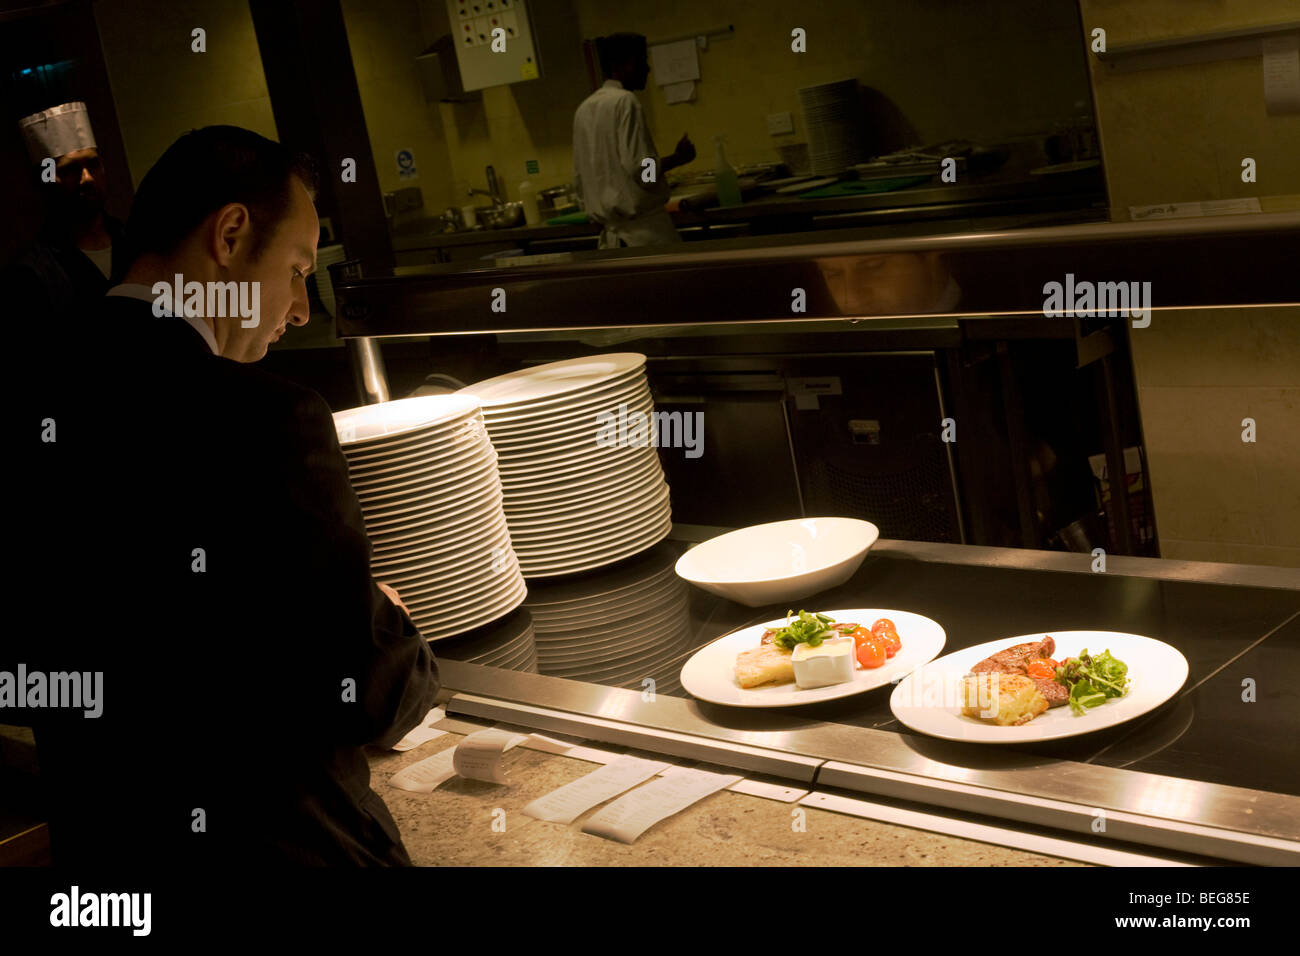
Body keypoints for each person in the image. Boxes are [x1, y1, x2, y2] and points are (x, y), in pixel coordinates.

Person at [28, 126, 439, 868]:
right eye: (296, 269)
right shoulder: (270, 419)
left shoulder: (34, 389)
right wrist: (394, 626)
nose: (302, 307)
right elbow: (369, 697)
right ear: (231, 233)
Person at [572, 32, 695, 248]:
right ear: (622, 65)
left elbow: (580, 180)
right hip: (645, 236)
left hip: (611, 240)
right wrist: (678, 158)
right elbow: (642, 171)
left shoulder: (583, 109)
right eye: (641, 61)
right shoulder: (626, 101)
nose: (647, 69)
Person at [6, 102, 125, 315]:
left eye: (93, 164)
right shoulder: (34, 271)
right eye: (70, 170)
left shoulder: (134, 240)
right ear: (47, 179)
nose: (87, 178)